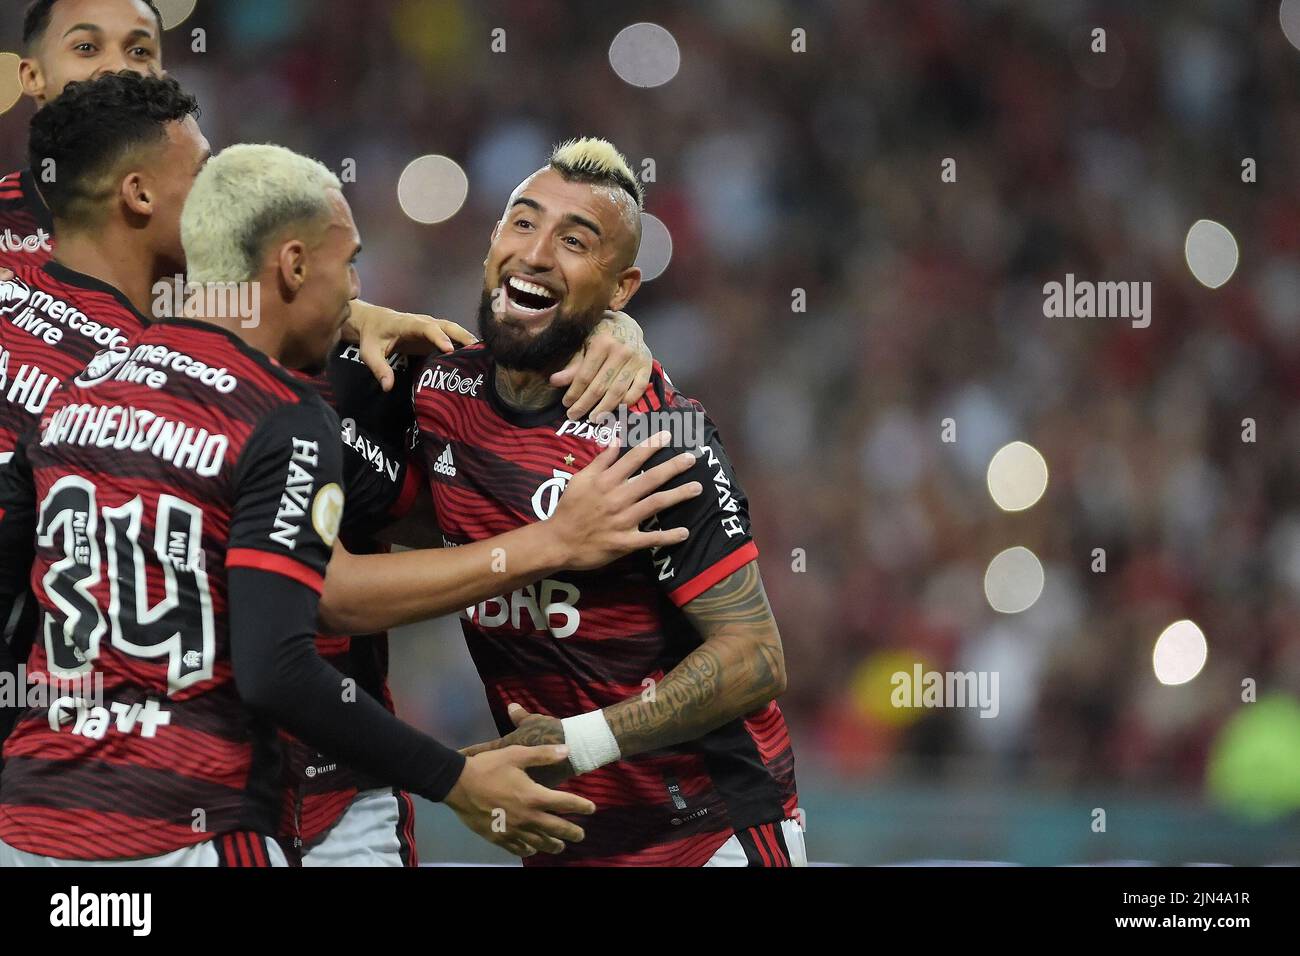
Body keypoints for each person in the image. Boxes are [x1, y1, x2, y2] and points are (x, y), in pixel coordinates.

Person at [414, 138, 804, 866]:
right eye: (522, 223)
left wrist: (579, 742)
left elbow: (755, 657)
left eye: (574, 241)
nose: (534, 253)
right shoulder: (439, 394)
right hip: (564, 837)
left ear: (620, 289)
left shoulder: (657, 425)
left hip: (709, 831)